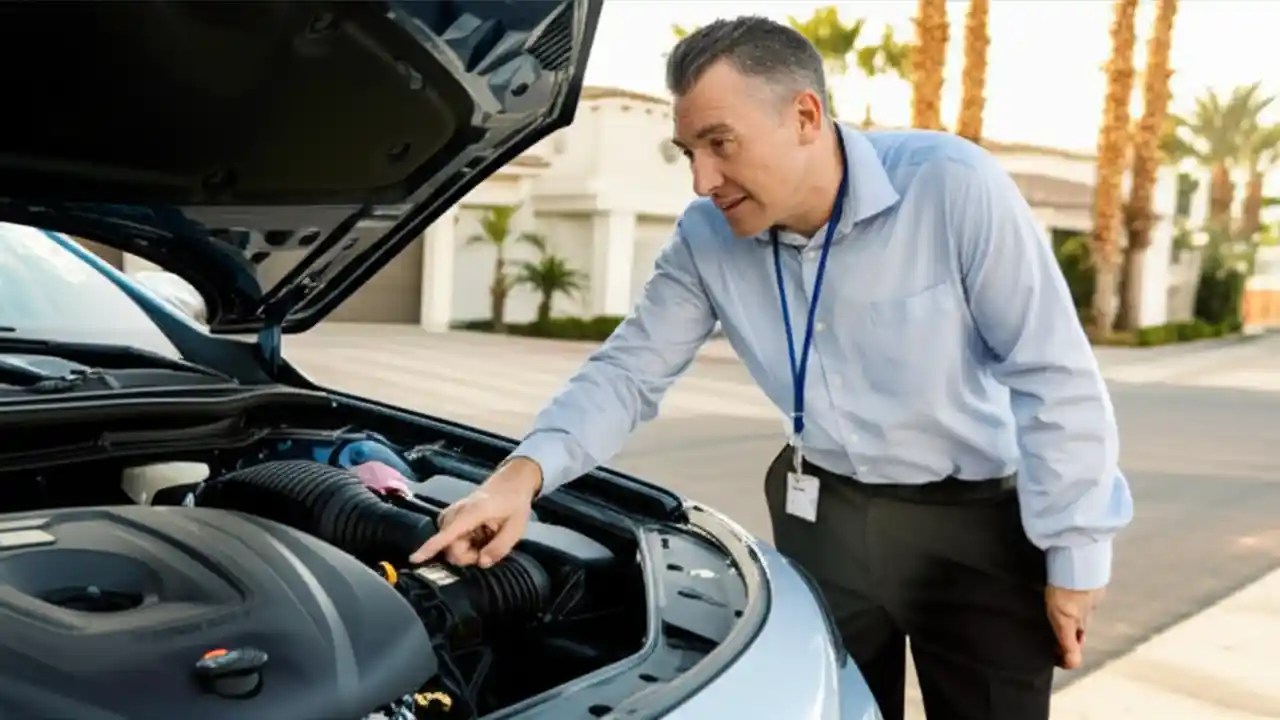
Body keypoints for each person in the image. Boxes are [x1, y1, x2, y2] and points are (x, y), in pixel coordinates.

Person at [411, 15, 1133, 720]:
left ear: (806, 116)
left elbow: (1053, 375)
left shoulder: (953, 188)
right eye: (687, 150)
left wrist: (1076, 558)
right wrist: (519, 479)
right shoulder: (706, 238)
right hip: (824, 517)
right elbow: (628, 372)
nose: (701, 180)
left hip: (976, 528)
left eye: (720, 143)